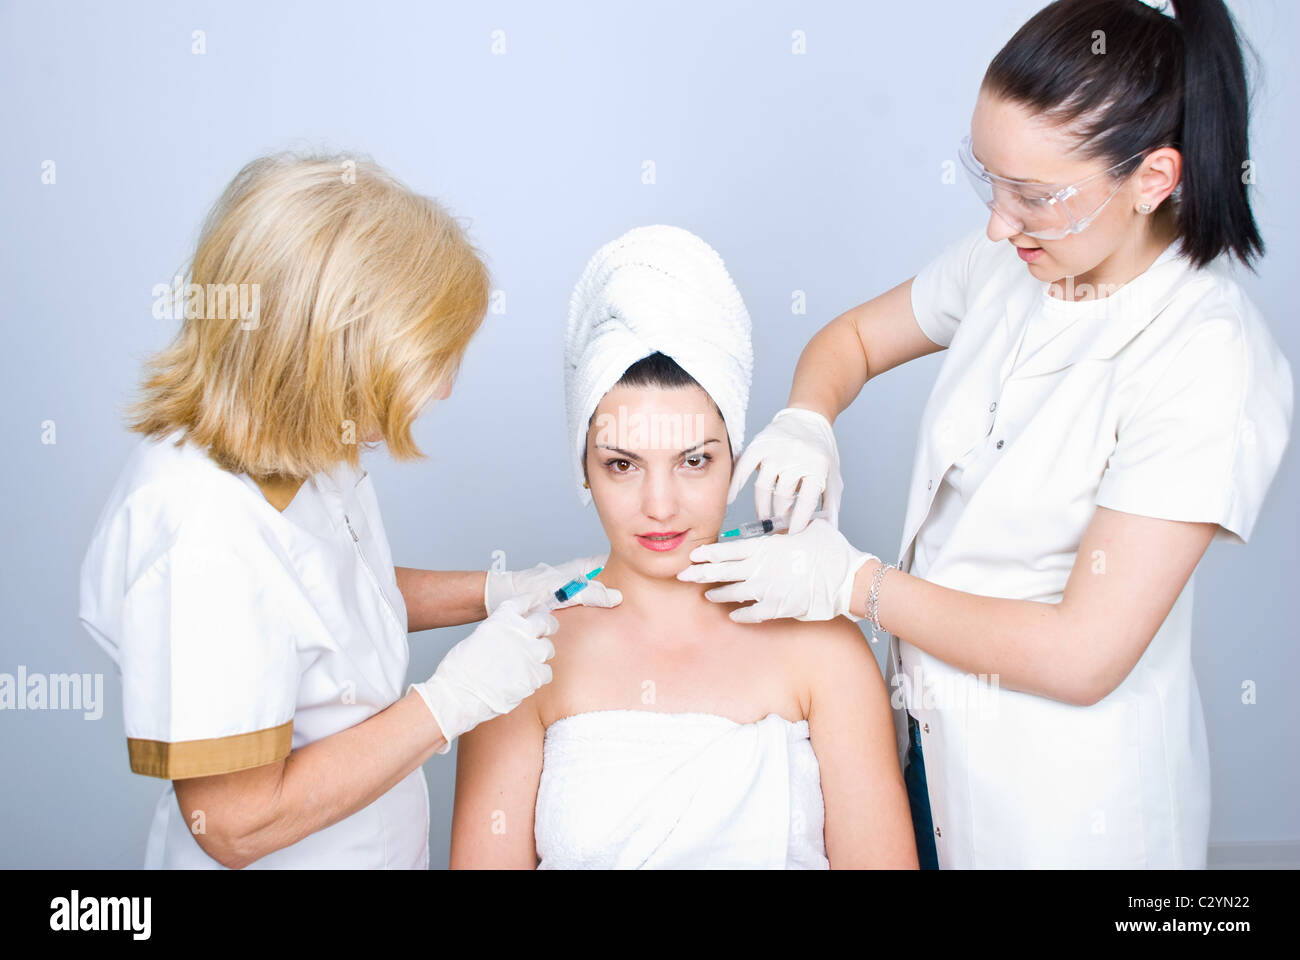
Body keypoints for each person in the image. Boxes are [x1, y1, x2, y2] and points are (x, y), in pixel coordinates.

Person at [680, 0, 1294, 868]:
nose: (1001, 223)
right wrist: (807, 416)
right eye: (989, 180)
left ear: (1154, 178)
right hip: (933, 744)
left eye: (1036, 196)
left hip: (1066, 806)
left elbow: (1085, 654)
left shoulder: (1208, 358)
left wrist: (855, 585)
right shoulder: (1013, 262)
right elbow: (850, 341)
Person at [78, 152, 618, 869]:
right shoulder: (200, 535)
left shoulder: (298, 437)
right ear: (329, 351)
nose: (445, 391)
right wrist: (447, 704)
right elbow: (235, 824)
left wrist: (501, 589)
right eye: (429, 361)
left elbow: (332, 598)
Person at [449, 225, 917, 868]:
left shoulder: (822, 648)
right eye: (622, 465)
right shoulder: (518, 661)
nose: (660, 505)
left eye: (694, 461)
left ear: (739, 459)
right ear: (582, 468)